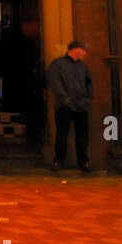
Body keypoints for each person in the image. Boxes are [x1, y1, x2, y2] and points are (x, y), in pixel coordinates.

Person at [47, 40, 94, 172]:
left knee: (82, 135)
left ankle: (83, 161)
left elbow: (88, 82)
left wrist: (88, 98)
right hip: (64, 106)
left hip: (80, 105)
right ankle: (59, 160)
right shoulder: (58, 64)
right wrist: (65, 98)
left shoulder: (82, 66)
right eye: (82, 50)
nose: (84, 53)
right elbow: (55, 82)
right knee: (62, 133)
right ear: (75, 50)